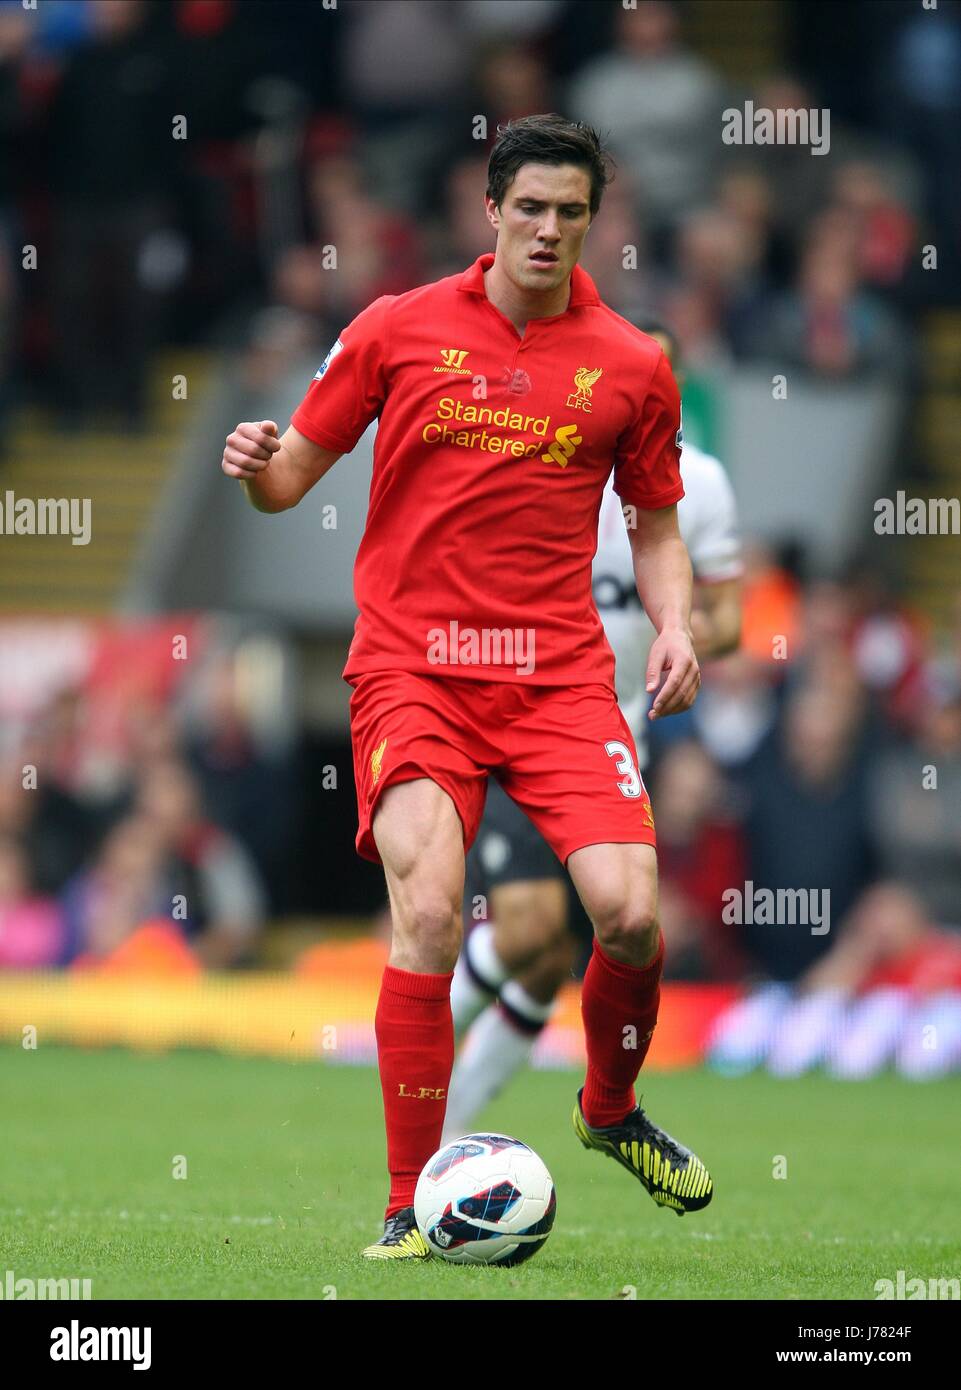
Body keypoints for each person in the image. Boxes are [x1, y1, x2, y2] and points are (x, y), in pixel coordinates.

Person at [222, 115, 711, 1259]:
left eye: (571, 212)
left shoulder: (634, 363)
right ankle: (406, 1204)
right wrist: (255, 469)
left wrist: (677, 626)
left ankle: (606, 1109)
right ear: (488, 211)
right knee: (433, 910)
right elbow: (291, 475)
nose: (548, 229)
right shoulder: (397, 328)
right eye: (529, 207)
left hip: (557, 679)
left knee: (632, 916)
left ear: (593, 222)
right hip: (413, 668)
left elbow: (655, 521)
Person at [444, 320, 743, 1139]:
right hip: (524, 720)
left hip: (616, 746)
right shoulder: (547, 463)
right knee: (530, 928)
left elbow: (732, 619)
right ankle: (411, 1054)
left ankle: (457, 1127)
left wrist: (676, 635)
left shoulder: (701, 486)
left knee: (555, 959)